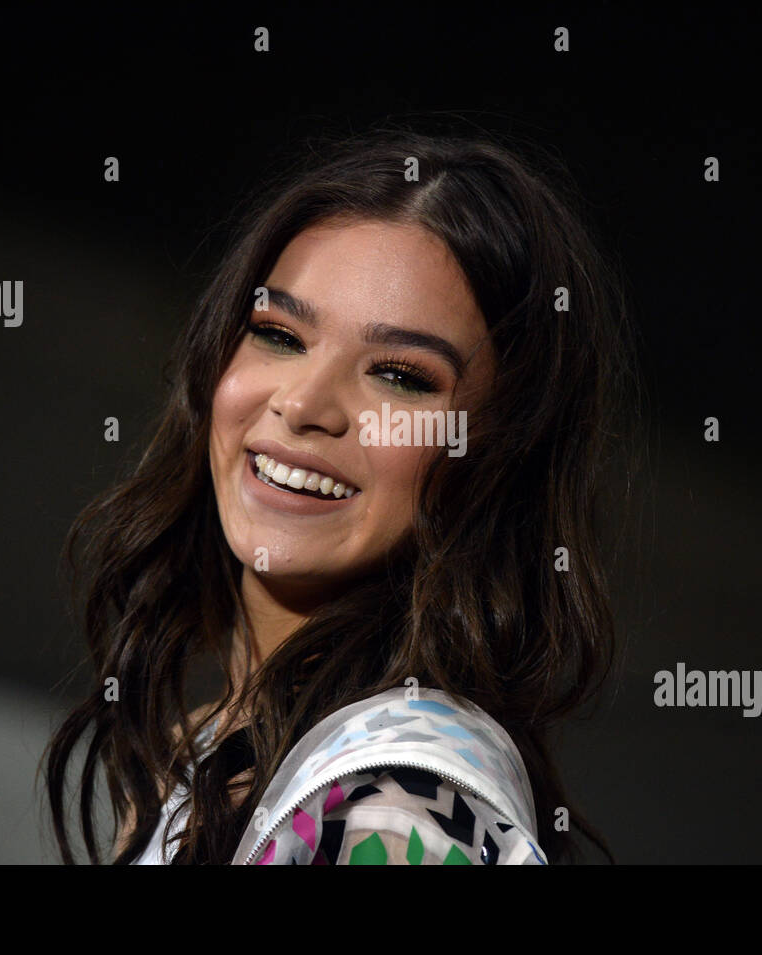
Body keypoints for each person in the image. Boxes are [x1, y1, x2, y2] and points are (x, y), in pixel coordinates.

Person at [41, 122, 643, 864]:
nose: (304, 404)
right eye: (279, 334)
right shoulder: (206, 746)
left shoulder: (396, 815)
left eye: (400, 376)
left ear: (498, 451)